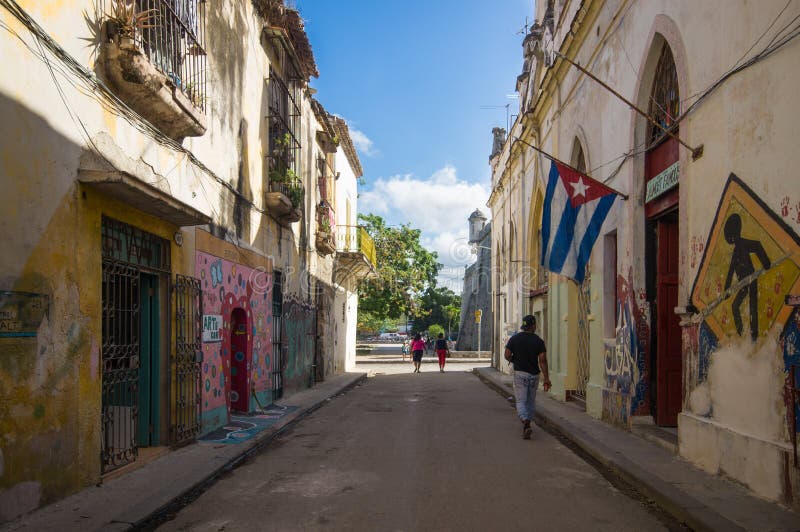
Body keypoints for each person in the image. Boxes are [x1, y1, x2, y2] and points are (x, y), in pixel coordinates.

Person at [504, 315, 551, 440]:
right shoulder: (538, 341)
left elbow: (507, 355)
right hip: (534, 375)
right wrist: (546, 378)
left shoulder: (515, 339)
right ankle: (528, 424)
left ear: (524, 326)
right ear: (534, 326)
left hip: (520, 374)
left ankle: (525, 421)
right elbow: (542, 360)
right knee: (530, 401)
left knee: (521, 401)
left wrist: (515, 360)